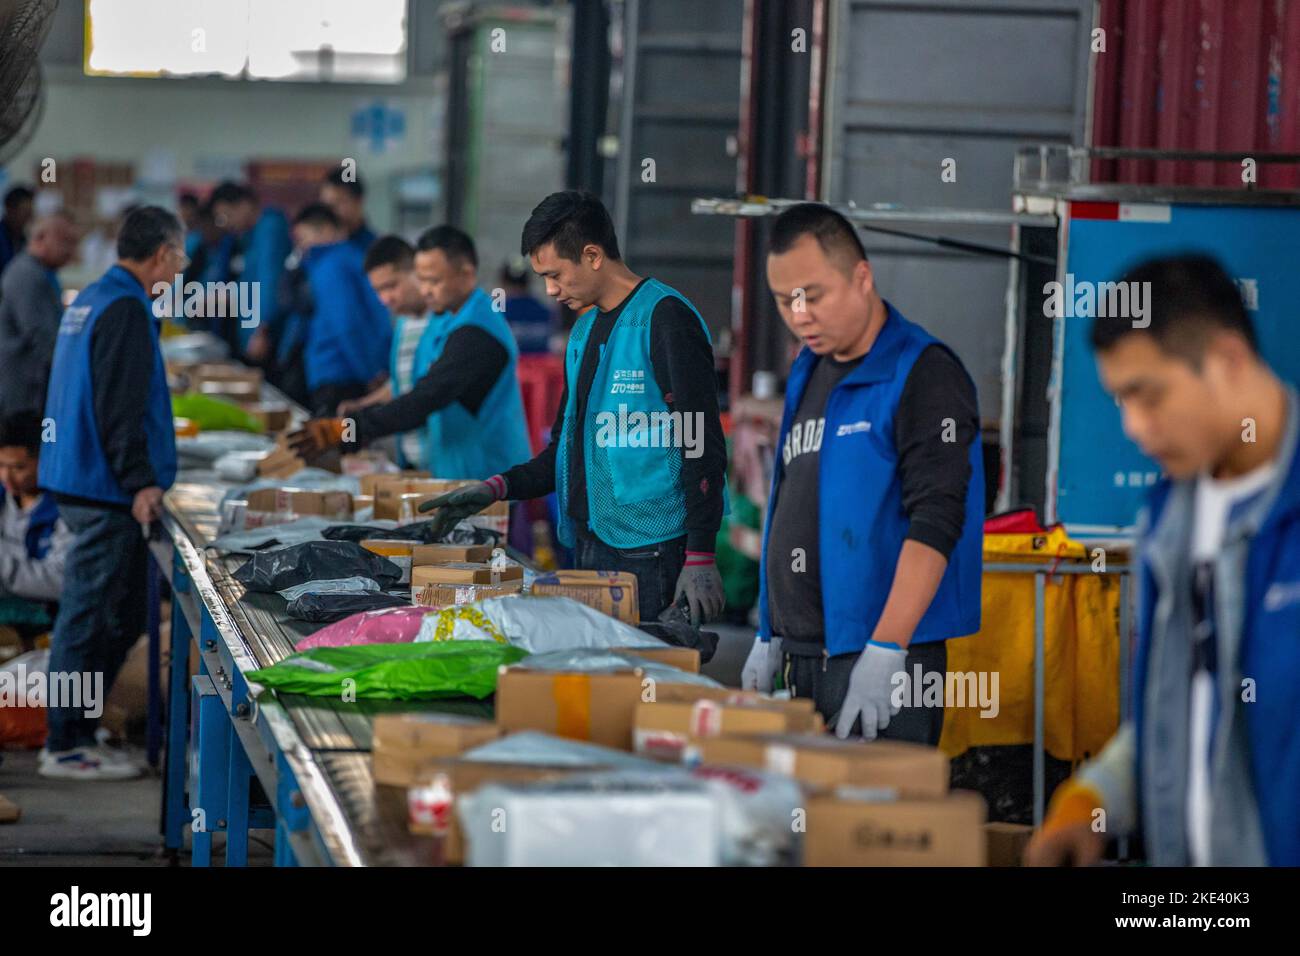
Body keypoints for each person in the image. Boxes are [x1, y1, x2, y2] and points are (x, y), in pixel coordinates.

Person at [1026, 255, 1300, 867]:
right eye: (1119, 401)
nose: (1132, 426)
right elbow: (1188, 707)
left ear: (1226, 361)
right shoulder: (1169, 524)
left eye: (1148, 396)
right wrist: (1097, 799)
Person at [415, 191, 728, 625]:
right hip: (589, 543)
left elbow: (701, 442)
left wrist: (699, 554)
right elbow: (563, 449)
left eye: (555, 274)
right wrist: (496, 488)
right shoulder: (583, 333)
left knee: (645, 679)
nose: (549, 289)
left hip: (653, 551)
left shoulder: (665, 319)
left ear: (593, 255)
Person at [739, 203, 983, 744]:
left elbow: (939, 519)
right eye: (785, 301)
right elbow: (790, 499)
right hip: (803, 660)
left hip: (881, 664)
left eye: (813, 295)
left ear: (862, 277)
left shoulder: (922, 372)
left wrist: (888, 648)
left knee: (869, 823)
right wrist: (769, 632)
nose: (800, 315)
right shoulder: (810, 369)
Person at [38, 205, 183, 781]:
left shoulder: (97, 298)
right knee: (88, 616)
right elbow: (118, 409)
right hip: (103, 488)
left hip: (83, 479)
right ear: (162, 255)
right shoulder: (124, 308)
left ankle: (82, 726)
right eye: (181, 259)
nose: (181, 271)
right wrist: (140, 481)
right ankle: (64, 743)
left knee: (119, 615)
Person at [289, 225, 531, 480]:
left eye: (434, 281)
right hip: (456, 473)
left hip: (485, 476)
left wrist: (348, 428)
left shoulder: (477, 331)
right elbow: (410, 386)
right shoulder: (449, 319)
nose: (425, 290)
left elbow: (425, 397)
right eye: (422, 279)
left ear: (467, 274)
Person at [331, 235, 434, 469]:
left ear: (416, 271)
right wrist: (363, 404)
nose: (385, 298)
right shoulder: (403, 324)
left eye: (391, 286)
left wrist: (365, 424)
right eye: (378, 291)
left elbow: (431, 391)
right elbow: (401, 383)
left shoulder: (445, 322)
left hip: (446, 461)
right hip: (413, 459)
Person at [282, 203, 391, 418]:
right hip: (348, 368)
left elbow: (346, 324)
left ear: (326, 231)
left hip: (340, 373)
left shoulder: (333, 266)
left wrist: (369, 373)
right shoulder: (344, 260)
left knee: (338, 443)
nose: (301, 246)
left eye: (304, 238)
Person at [0, 410, 71, 646]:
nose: (7, 477)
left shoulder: (64, 513)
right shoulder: (3, 497)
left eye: (19, 468)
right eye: (1, 465)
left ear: (46, 461)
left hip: (42, 619)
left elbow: (60, 581)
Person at [0, 213, 78, 415]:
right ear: (41, 238)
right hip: (23, 393)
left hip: (31, 388)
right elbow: (41, 335)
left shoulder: (41, 273)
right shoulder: (27, 275)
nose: (71, 251)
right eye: (65, 242)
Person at [208, 181, 291, 362]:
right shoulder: (249, 237)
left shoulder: (270, 228)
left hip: (265, 338)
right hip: (251, 334)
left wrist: (262, 330)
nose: (225, 223)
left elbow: (270, 281)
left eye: (227, 215)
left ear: (245, 205)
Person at [499, 257, 555, 354]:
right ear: (528, 282)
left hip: (512, 367)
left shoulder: (497, 312)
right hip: (541, 368)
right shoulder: (545, 311)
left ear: (504, 282)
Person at [321, 166, 375, 254]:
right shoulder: (319, 244)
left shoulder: (372, 248)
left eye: (338, 203)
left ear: (358, 201)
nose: (330, 211)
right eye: (327, 205)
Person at [0, 185, 35, 280]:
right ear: (10, 210)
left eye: (31, 213)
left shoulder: (23, 239)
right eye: (25, 213)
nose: (29, 218)